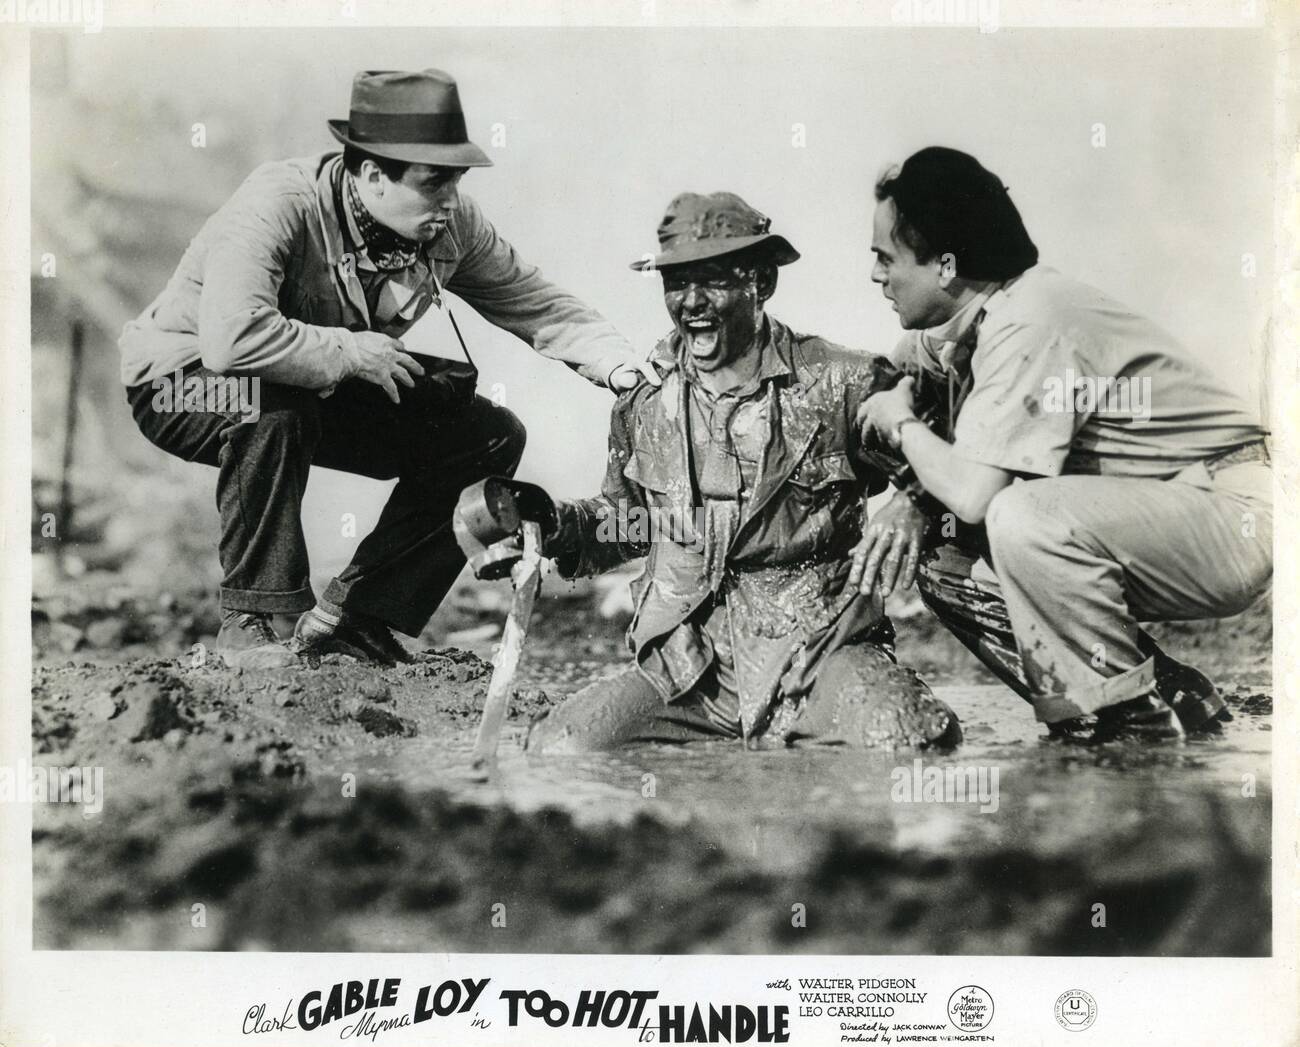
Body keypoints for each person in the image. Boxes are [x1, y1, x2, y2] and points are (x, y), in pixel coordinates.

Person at [120, 69, 647, 668]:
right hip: (176, 385)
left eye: (458, 182)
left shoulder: (450, 226)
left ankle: (357, 621)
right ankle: (254, 621)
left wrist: (625, 368)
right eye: (434, 183)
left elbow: (536, 303)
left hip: (306, 388)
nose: (451, 201)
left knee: (488, 434)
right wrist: (349, 350)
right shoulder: (277, 204)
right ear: (372, 174)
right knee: (271, 406)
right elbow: (230, 341)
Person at [517, 192, 959, 751]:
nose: (692, 302)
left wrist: (914, 501)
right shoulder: (644, 404)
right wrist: (550, 523)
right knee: (561, 747)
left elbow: (950, 455)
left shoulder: (842, 382)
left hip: (821, 655)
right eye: (677, 282)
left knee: (908, 736)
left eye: (716, 280)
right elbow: (629, 525)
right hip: (689, 669)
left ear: (762, 282)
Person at [856, 146, 1272, 741]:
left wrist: (903, 426)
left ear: (945, 266)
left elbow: (974, 495)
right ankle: (1164, 691)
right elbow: (886, 379)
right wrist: (907, 492)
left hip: (1235, 513)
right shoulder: (970, 324)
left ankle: (1124, 720)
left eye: (885, 256)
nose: (875, 275)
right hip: (1169, 511)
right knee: (946, 560)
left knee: (1018, 515)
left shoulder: (1032, 320)